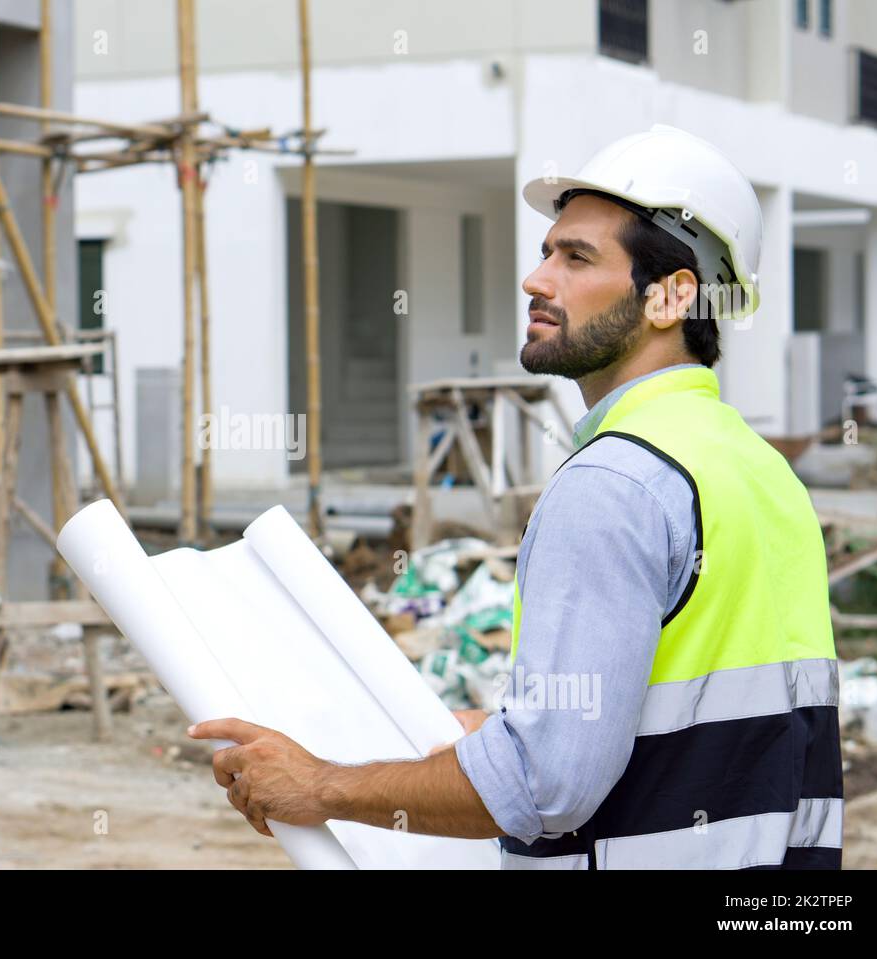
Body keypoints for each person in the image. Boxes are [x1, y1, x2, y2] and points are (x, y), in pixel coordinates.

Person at [189, 125, 842, 869]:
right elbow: (710, 731)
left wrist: (321, 786)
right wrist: (509, 727)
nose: (538, 279)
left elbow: (544, 784)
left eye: (577, 257)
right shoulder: (762, 473)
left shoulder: (613, 483)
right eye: (546, 251)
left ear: (671, 295)